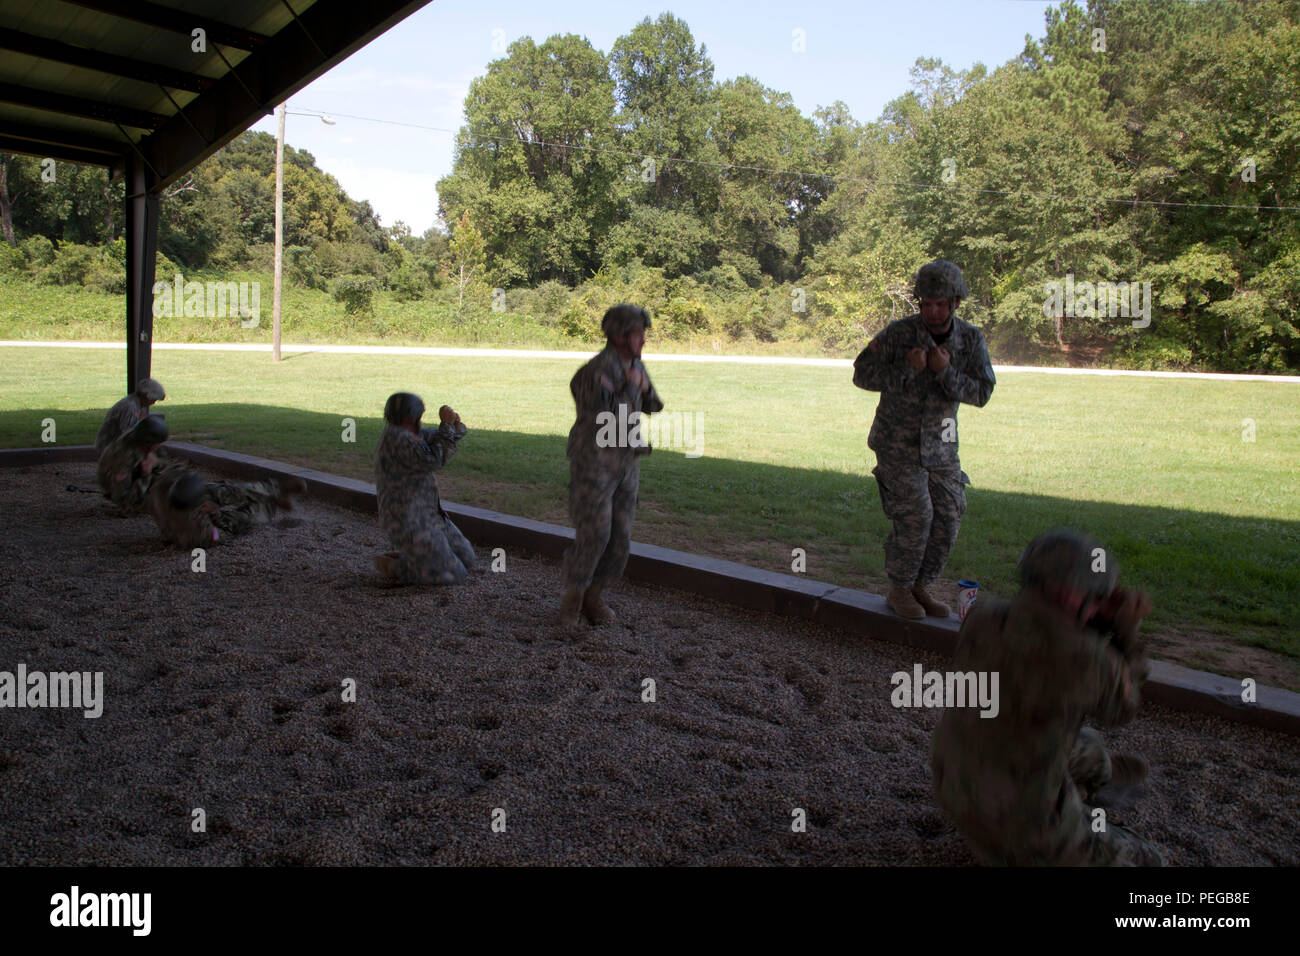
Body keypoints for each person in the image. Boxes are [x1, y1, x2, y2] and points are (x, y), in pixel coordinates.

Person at [930, 528, 1164, 867]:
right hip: (1020, 829)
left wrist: (1088, 619)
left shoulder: (982, 616)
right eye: (1096, 595)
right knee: (1147, 860)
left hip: (954, 785)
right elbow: (1123, 708)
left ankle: (1087, 785)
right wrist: (1125, 630)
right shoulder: (1088, 658)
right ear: (1072, 595)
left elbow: (1039, 653)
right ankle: (1071, 817)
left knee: (1088, 744)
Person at [852, 260, 996, 619]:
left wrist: (945, 372)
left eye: (940, 304)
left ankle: (920, 586)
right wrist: (906, 369)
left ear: (955, 303)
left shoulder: (970, 339)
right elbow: (861, 374)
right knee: (917, 516)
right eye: (926, 303)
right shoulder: (898, 334)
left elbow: (982, 392)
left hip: (942, 449)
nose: (932, 311)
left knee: (948, 518)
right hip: (897, 445)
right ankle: (900, 589)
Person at [559, 304, 664, 628]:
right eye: (638, 334)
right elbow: (608, 419)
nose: (644, 340)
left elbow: (654, 405)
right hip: (595, 466)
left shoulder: (635, 365)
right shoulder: (595, 371)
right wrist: (632, 386)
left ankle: (594, 598)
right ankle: (571, 605)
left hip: (625, 464)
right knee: (595, 536)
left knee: (620, 541)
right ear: (619, 336)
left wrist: (641, 388)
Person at [373, 392, 475, 585]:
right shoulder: (397, 439)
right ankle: (395, 566)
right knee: (453, 575)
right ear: (411, 416)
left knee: (467, 558)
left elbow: (442, 438)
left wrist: (454, 425)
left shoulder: (410, 433)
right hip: (410, 522)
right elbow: (434, 460)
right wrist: (446, 425)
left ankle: (419, 558)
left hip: (430, 516)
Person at [148, 469, 304, 549]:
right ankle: (271, 504)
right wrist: (216, 514)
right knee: (245, 519)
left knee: (225, 491)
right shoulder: (199, 533)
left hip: (191, 508)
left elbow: (160, 484)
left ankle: (273, 490)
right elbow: (222, 536)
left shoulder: (169, 496)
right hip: (212, 523)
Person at [96, 413, 184, 513]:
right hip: (121, 491)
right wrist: (146, 474)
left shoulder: (141, 441)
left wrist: (156, 464)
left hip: (136, 479)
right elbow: (124, 499)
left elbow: (163, 462)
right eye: (156, 444)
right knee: (165, 506)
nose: (157, 447)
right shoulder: (123, 458)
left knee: (177, 475)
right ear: (148, 443)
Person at [95, 378, 166, 455]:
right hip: (111, 446)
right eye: (153, 399)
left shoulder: (138, 405)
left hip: (117, 443)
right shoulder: (130, 407)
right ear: (145, 396)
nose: (153, 402)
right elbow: (127, 433)